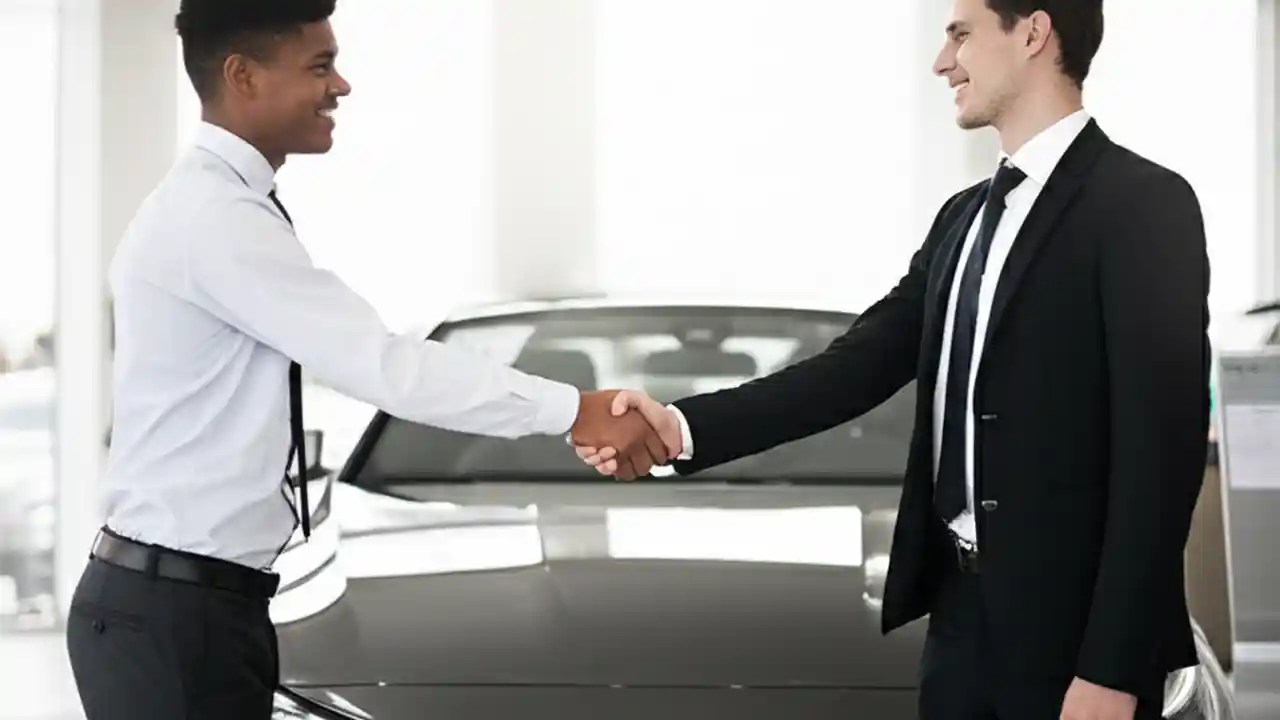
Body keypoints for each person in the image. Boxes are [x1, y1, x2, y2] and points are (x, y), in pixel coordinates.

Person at [576, 0, 1210, 718]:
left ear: (1032, 33)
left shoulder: (1143, 205)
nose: (942, 61)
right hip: (960, 624)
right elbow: (852, 369)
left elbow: (1160, 459)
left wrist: (1112, 671)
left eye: (962, 34)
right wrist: (679, 426)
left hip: (1073, 641)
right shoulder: (963, 219)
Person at [64, 2, 662, 717]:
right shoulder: (214, 218)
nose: (340, 86)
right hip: (174, 613)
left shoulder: (219, 206)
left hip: (195, 603)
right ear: (242, 76)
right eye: (320, 66)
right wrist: (574, 408)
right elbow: (380, 362)